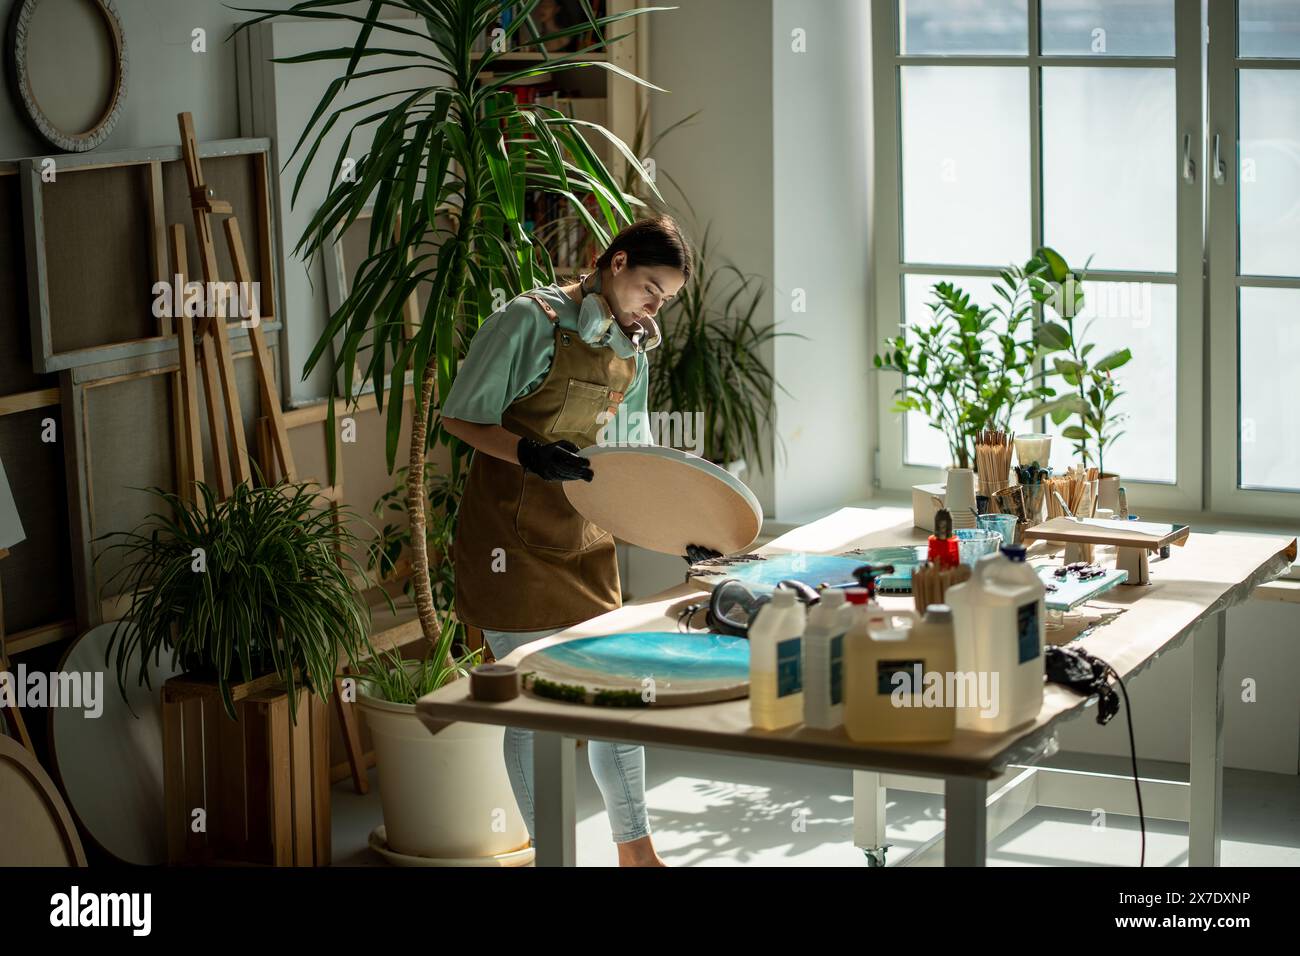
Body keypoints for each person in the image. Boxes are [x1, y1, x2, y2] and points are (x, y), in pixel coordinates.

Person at [441, 215, 696, 867]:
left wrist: (685, 532)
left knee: (614, 697)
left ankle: (636, 853)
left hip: (584, 541)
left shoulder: (630, 352)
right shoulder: (528, 321)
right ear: (615, 263)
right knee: (534, 705)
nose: (652, 305)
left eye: (663, 299)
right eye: (649, 287)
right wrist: (528, 452)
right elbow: (459, 415)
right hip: (509, 543)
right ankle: (553, 857)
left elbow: (628, 459)